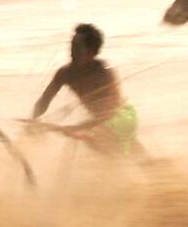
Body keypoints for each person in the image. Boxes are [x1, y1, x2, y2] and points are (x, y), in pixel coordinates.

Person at [32, 23, 145, 157]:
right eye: (71, 46)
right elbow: (44, 101)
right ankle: (152, 166)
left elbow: (109, 114)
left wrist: (75, 128)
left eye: (78, 48)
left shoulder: (103, 73)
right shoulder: (65, 73)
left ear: (91, 51)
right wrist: (33, 120)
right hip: (99, 122)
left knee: (100, 139)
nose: (72, 51)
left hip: (121, 117)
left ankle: (120, 167)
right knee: (129, 151)